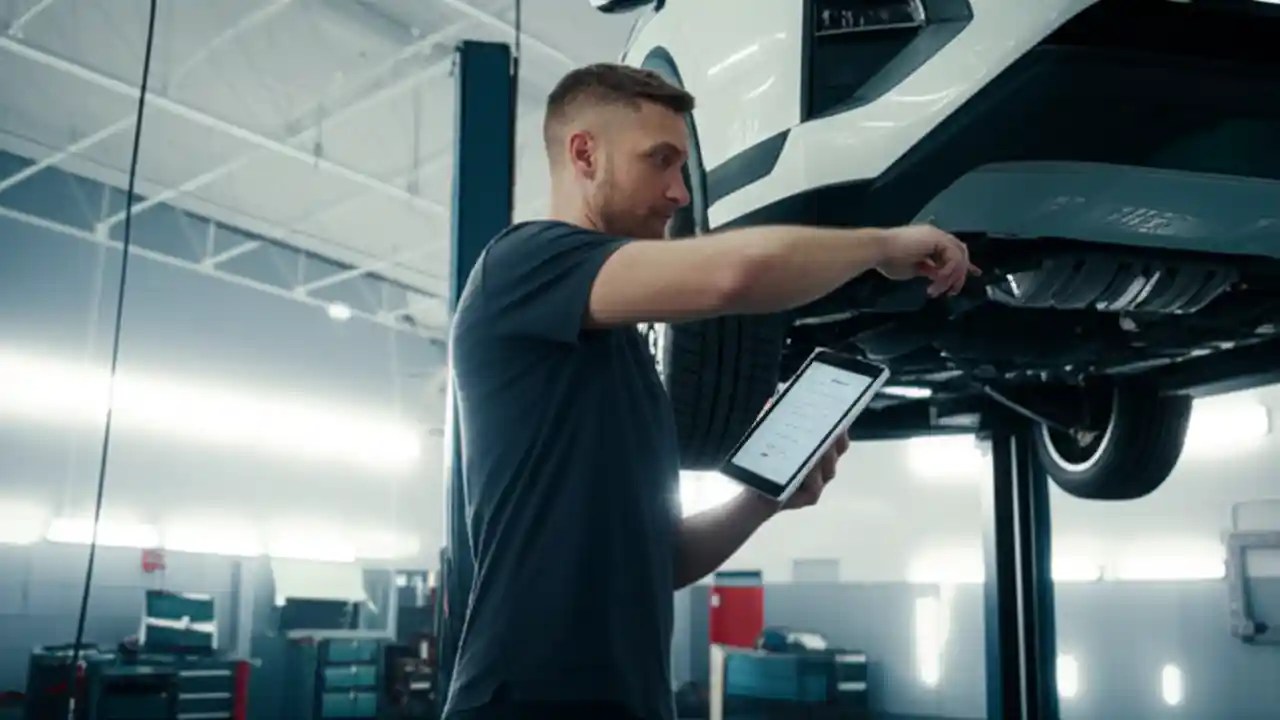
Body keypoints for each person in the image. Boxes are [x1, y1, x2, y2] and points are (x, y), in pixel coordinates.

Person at [443, 63, 978, 720]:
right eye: (660, 162)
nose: (678, 193)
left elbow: (658, 560)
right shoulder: (520, 264)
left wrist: (760, 499)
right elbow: (736, 275)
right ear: (585, 153)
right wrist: (882, 245)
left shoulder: (625, 354)